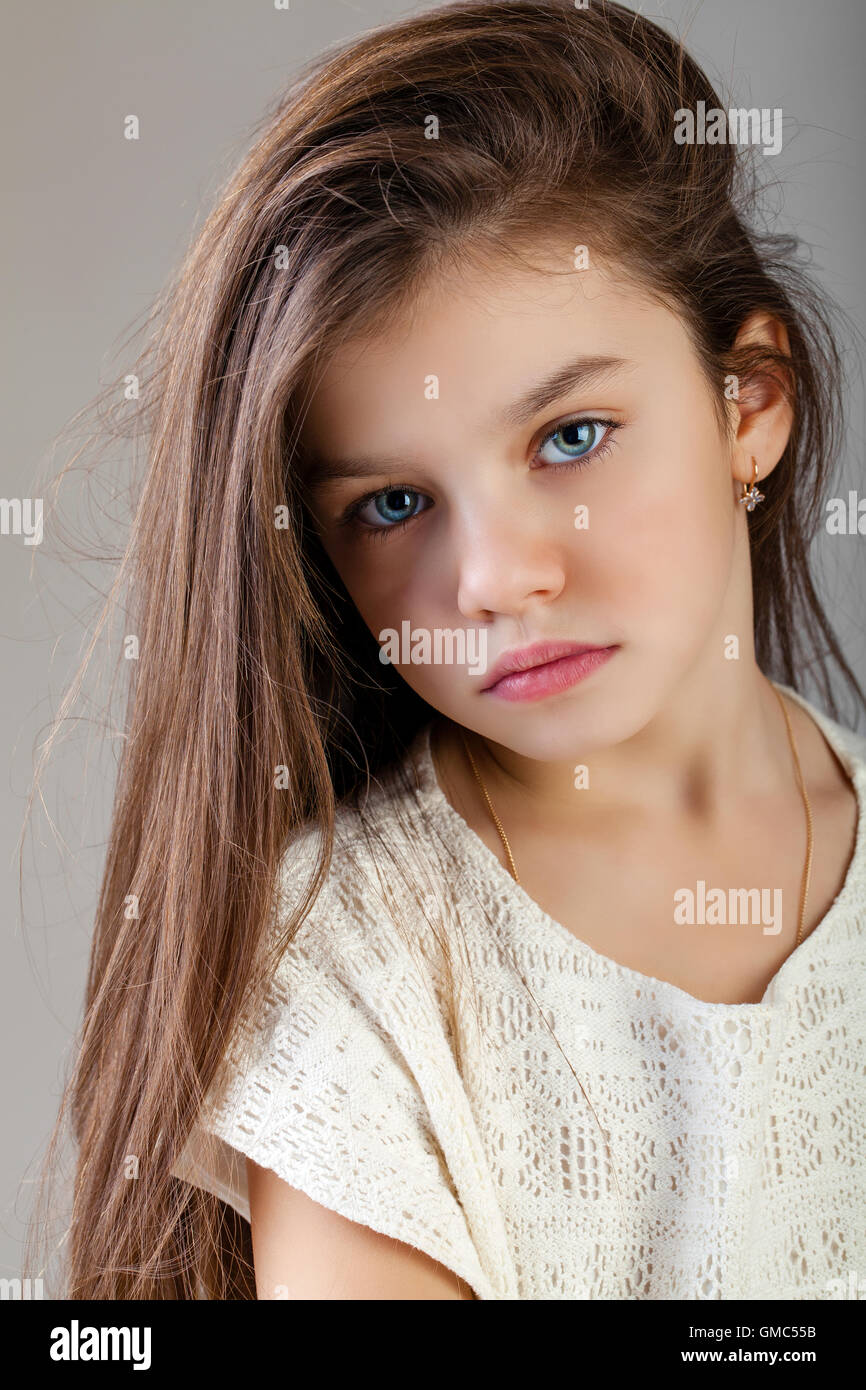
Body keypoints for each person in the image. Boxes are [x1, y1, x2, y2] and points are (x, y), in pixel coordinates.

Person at [32, 0, 866, 1299]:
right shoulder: (347, 964)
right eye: (392, 505)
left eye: (571, 437)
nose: (491, 579)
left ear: (744, 405)